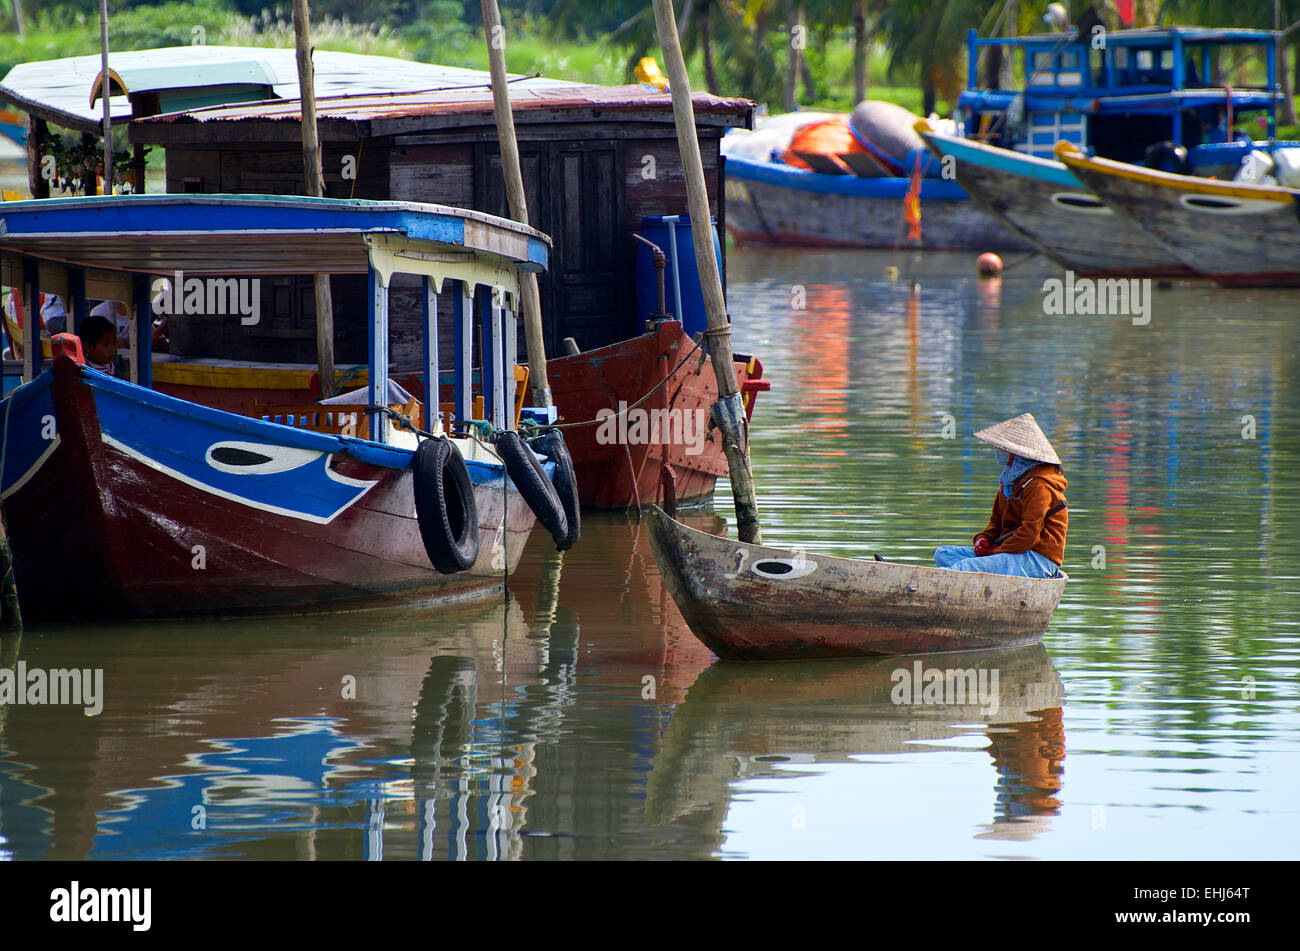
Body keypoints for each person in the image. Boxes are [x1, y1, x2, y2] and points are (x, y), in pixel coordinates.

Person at [934, 413, 1067, 579]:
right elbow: (996, 523)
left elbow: (1028, 535)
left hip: (1036, 559)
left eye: (1003, 449)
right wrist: (983, 540)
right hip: (1010, 551)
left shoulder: (1039, 486)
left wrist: (995, 552)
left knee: (963, 567)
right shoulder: (1010, 481)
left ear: (1016, 453)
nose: (998, 452)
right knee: (944, 554)